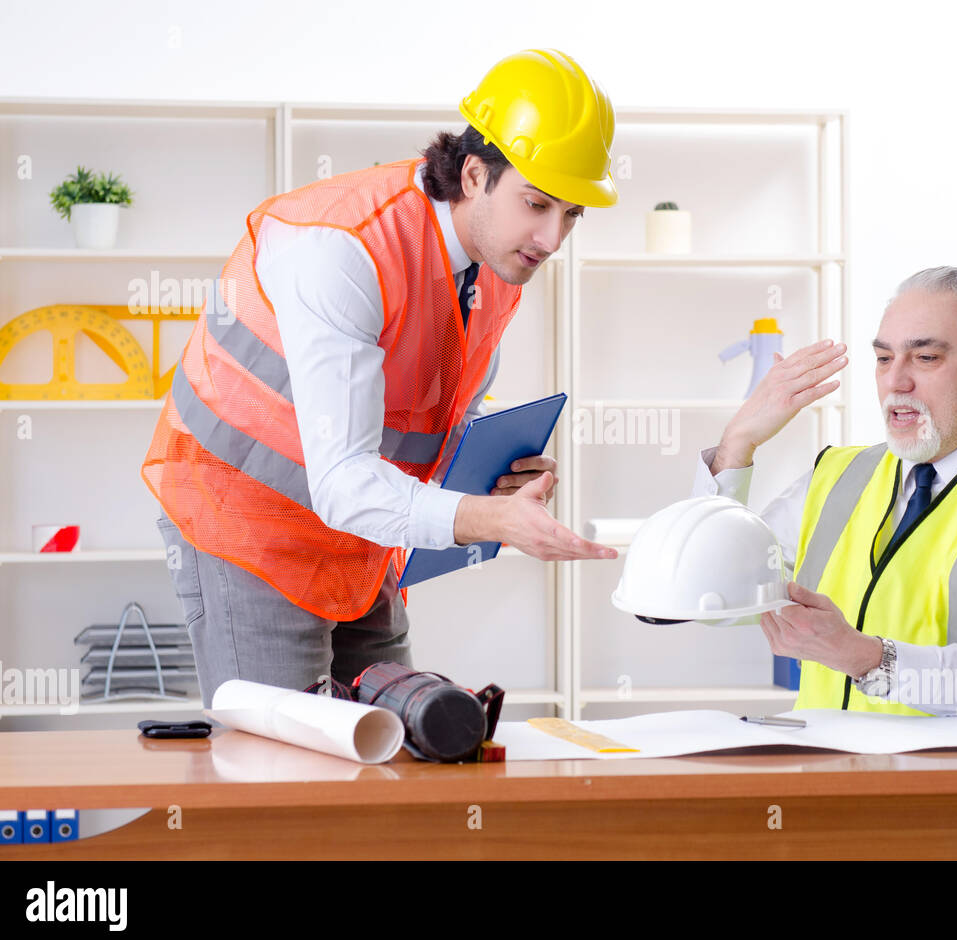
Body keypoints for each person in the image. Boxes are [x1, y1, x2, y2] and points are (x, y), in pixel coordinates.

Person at [142, 49, 618, 703]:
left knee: (400, 737)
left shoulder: (498, 260)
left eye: (571, 215)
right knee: (288, 760)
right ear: (475, 174)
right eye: (537, 203)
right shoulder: (343, 248)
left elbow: (422, 412)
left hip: (360, 531)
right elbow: (342, 481)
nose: (552, 237)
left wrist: (491, 478)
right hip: (252, 521)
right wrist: (489, 519)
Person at [694, 266, 957, 715]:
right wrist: (737, 445)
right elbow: (711, 594)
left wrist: (860, 656)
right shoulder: (836, 476)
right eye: (883, 358)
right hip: (824, 773)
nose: (896, 381)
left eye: (925, 358)